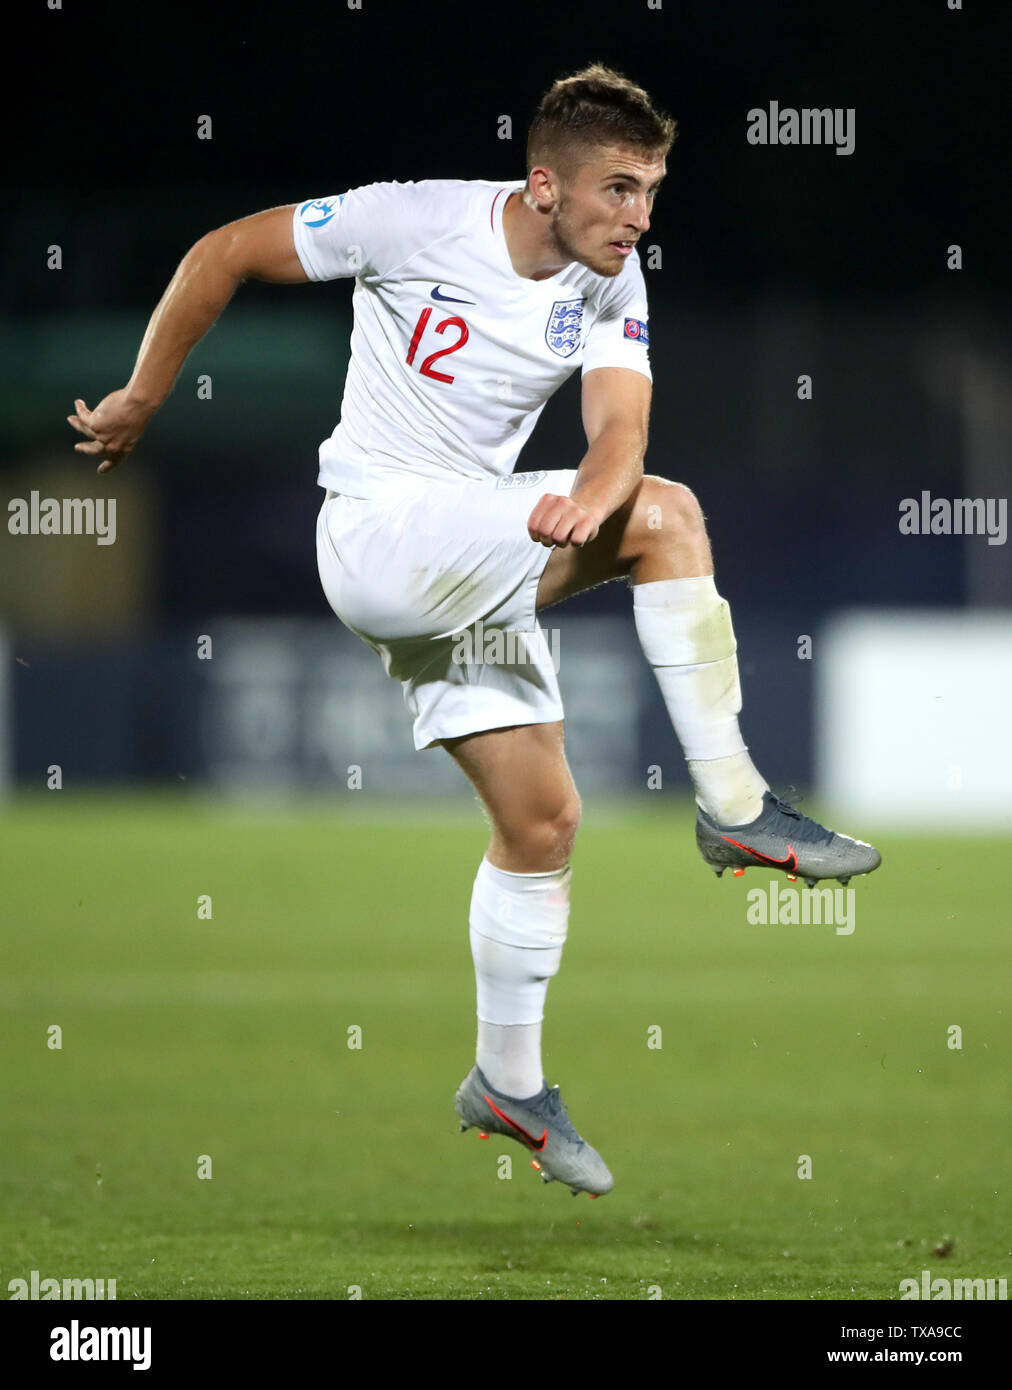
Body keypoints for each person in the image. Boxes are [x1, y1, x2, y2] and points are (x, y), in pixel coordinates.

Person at [67, 64, 880, 1198]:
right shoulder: (410, 217)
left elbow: (618, 433)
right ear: (544, 184)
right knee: (675, 521)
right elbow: (224, 252)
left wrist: (595, 498)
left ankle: (507, 1084)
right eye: (619, 189)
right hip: (380, 533)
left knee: (544, 823)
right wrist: (146, 394)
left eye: (650, 191)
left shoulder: (612, 277)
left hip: (469, 553)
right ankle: (736, 807)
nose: (639, 215)